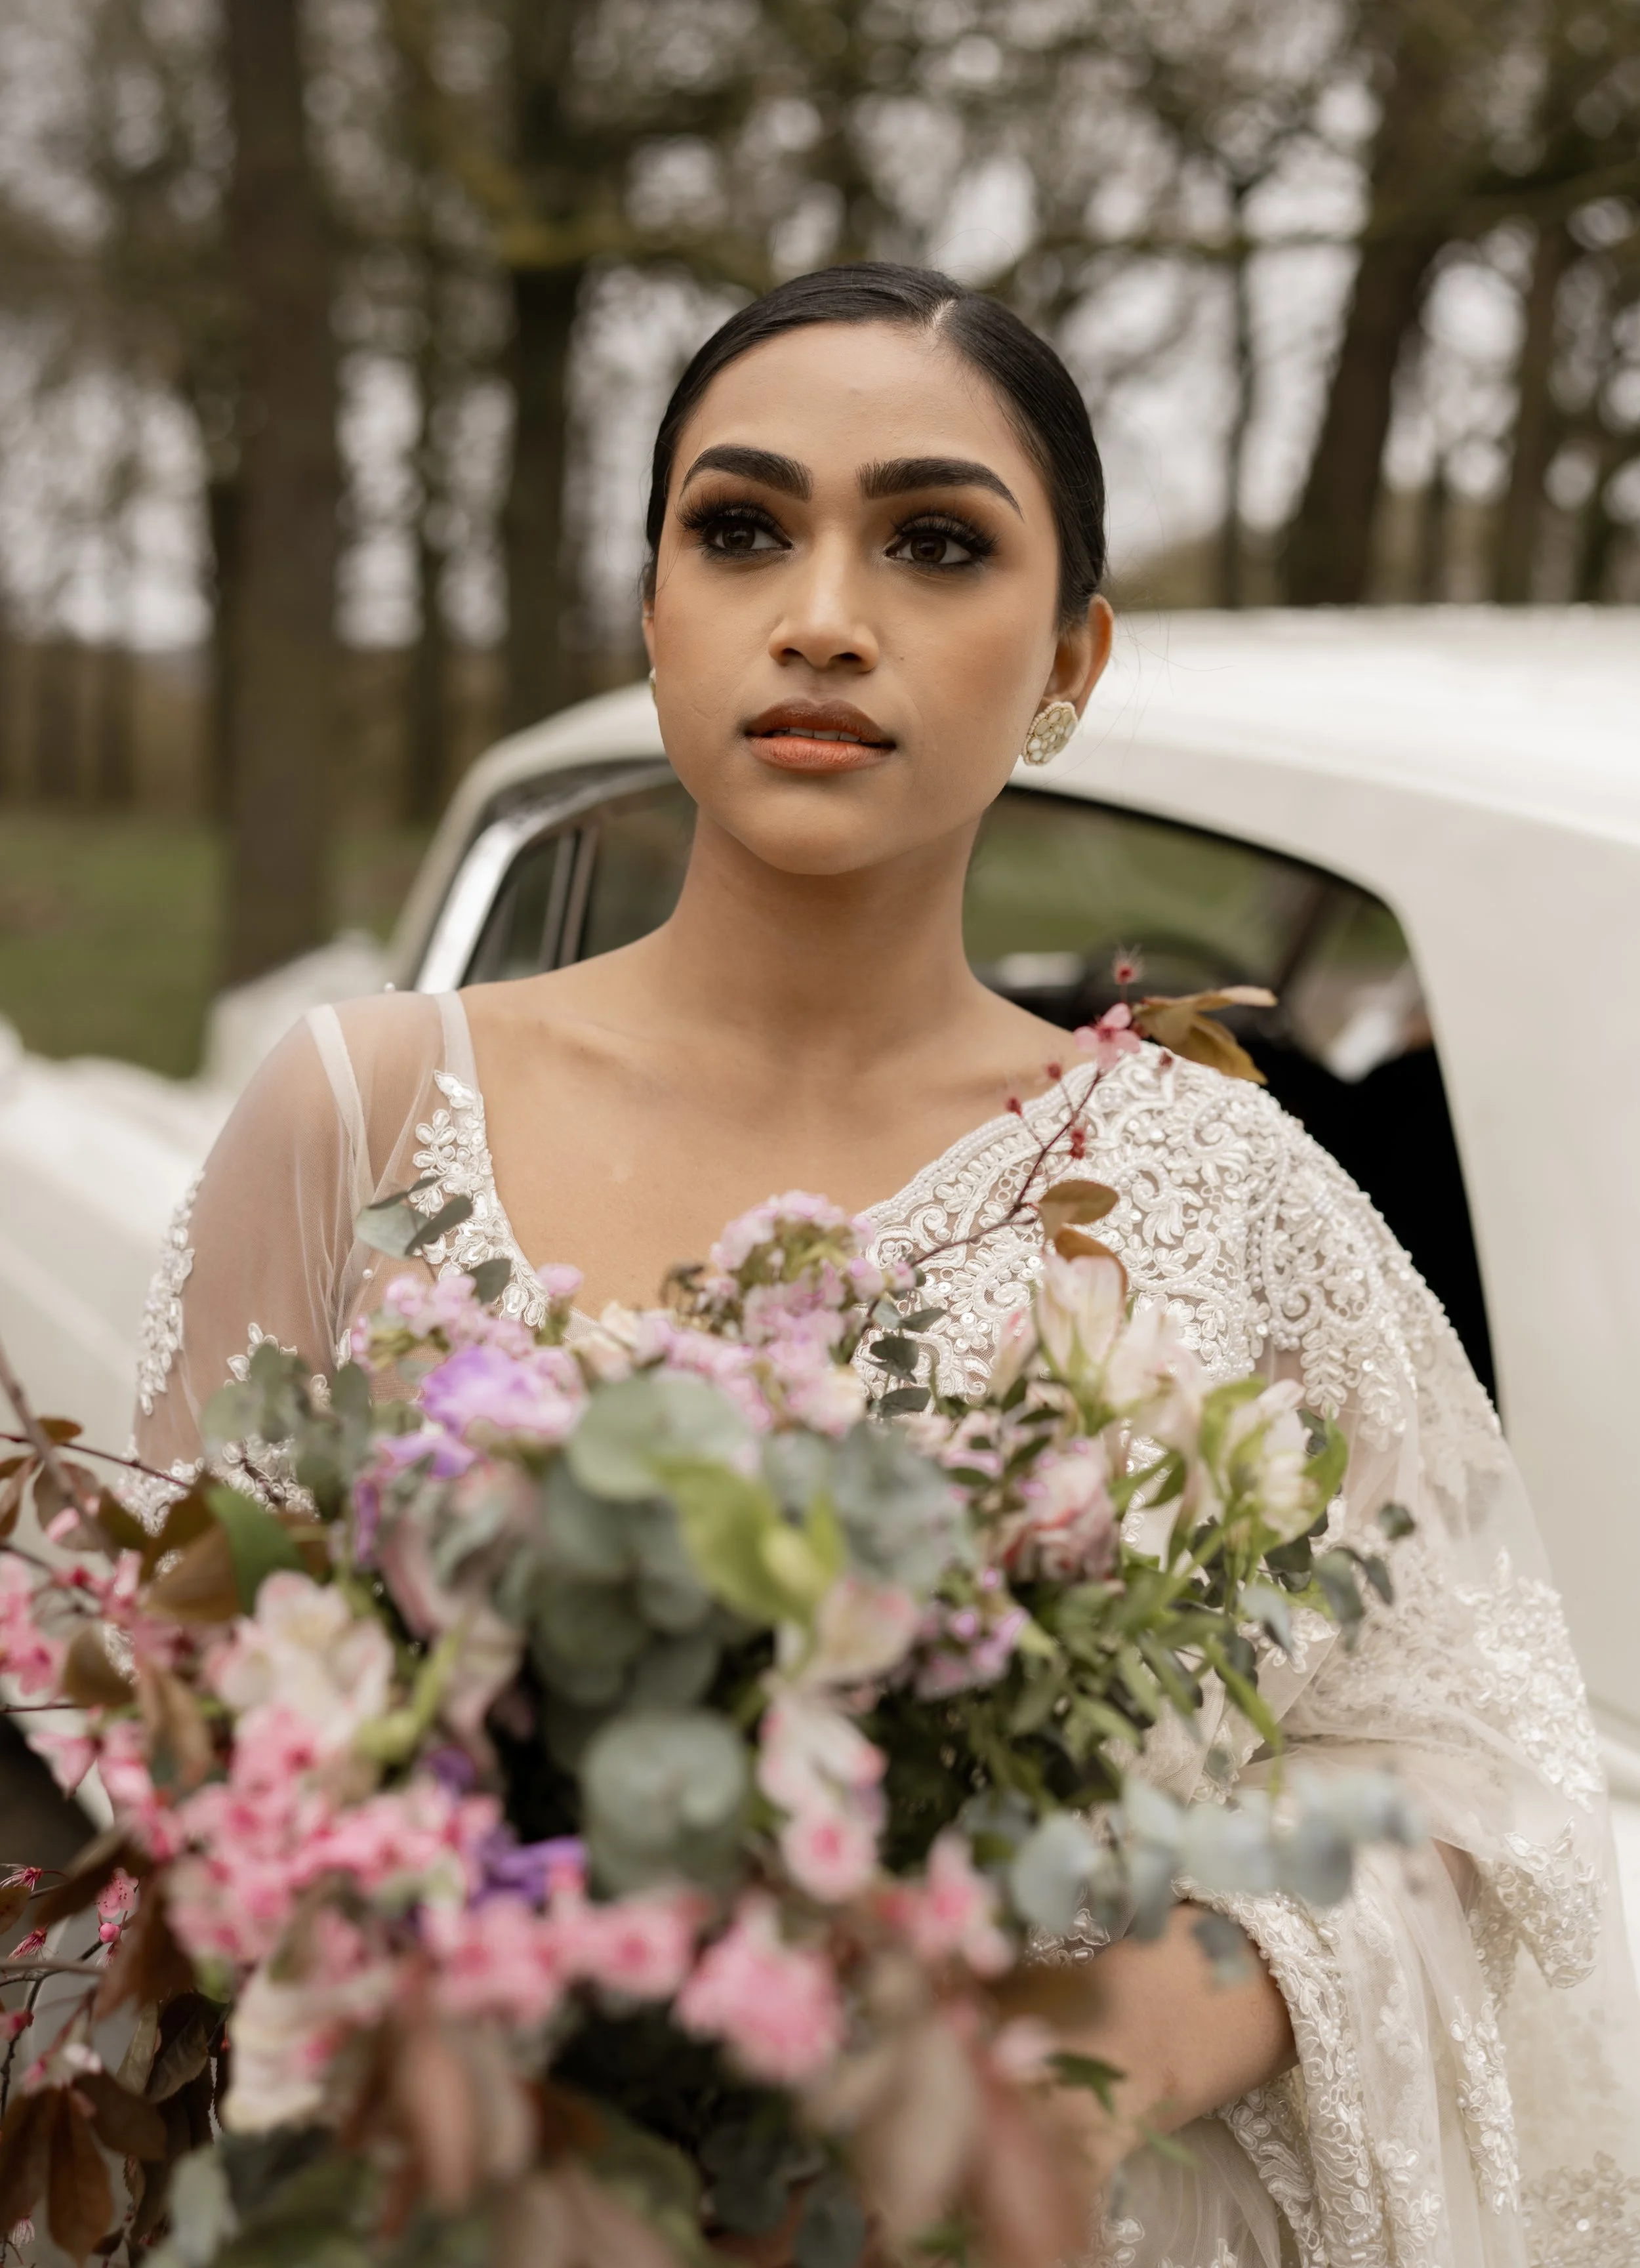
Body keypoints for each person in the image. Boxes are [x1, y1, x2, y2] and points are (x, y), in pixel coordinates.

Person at [132, 263, 1640, 2265]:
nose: (823, 616)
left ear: (1068, 663)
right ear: (652, 622)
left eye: (934, 544)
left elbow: (1488, 1794)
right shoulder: (361, 1112)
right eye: (741, 529)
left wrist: (1106, 2043)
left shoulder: (1216, 1192)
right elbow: (144, 1726)